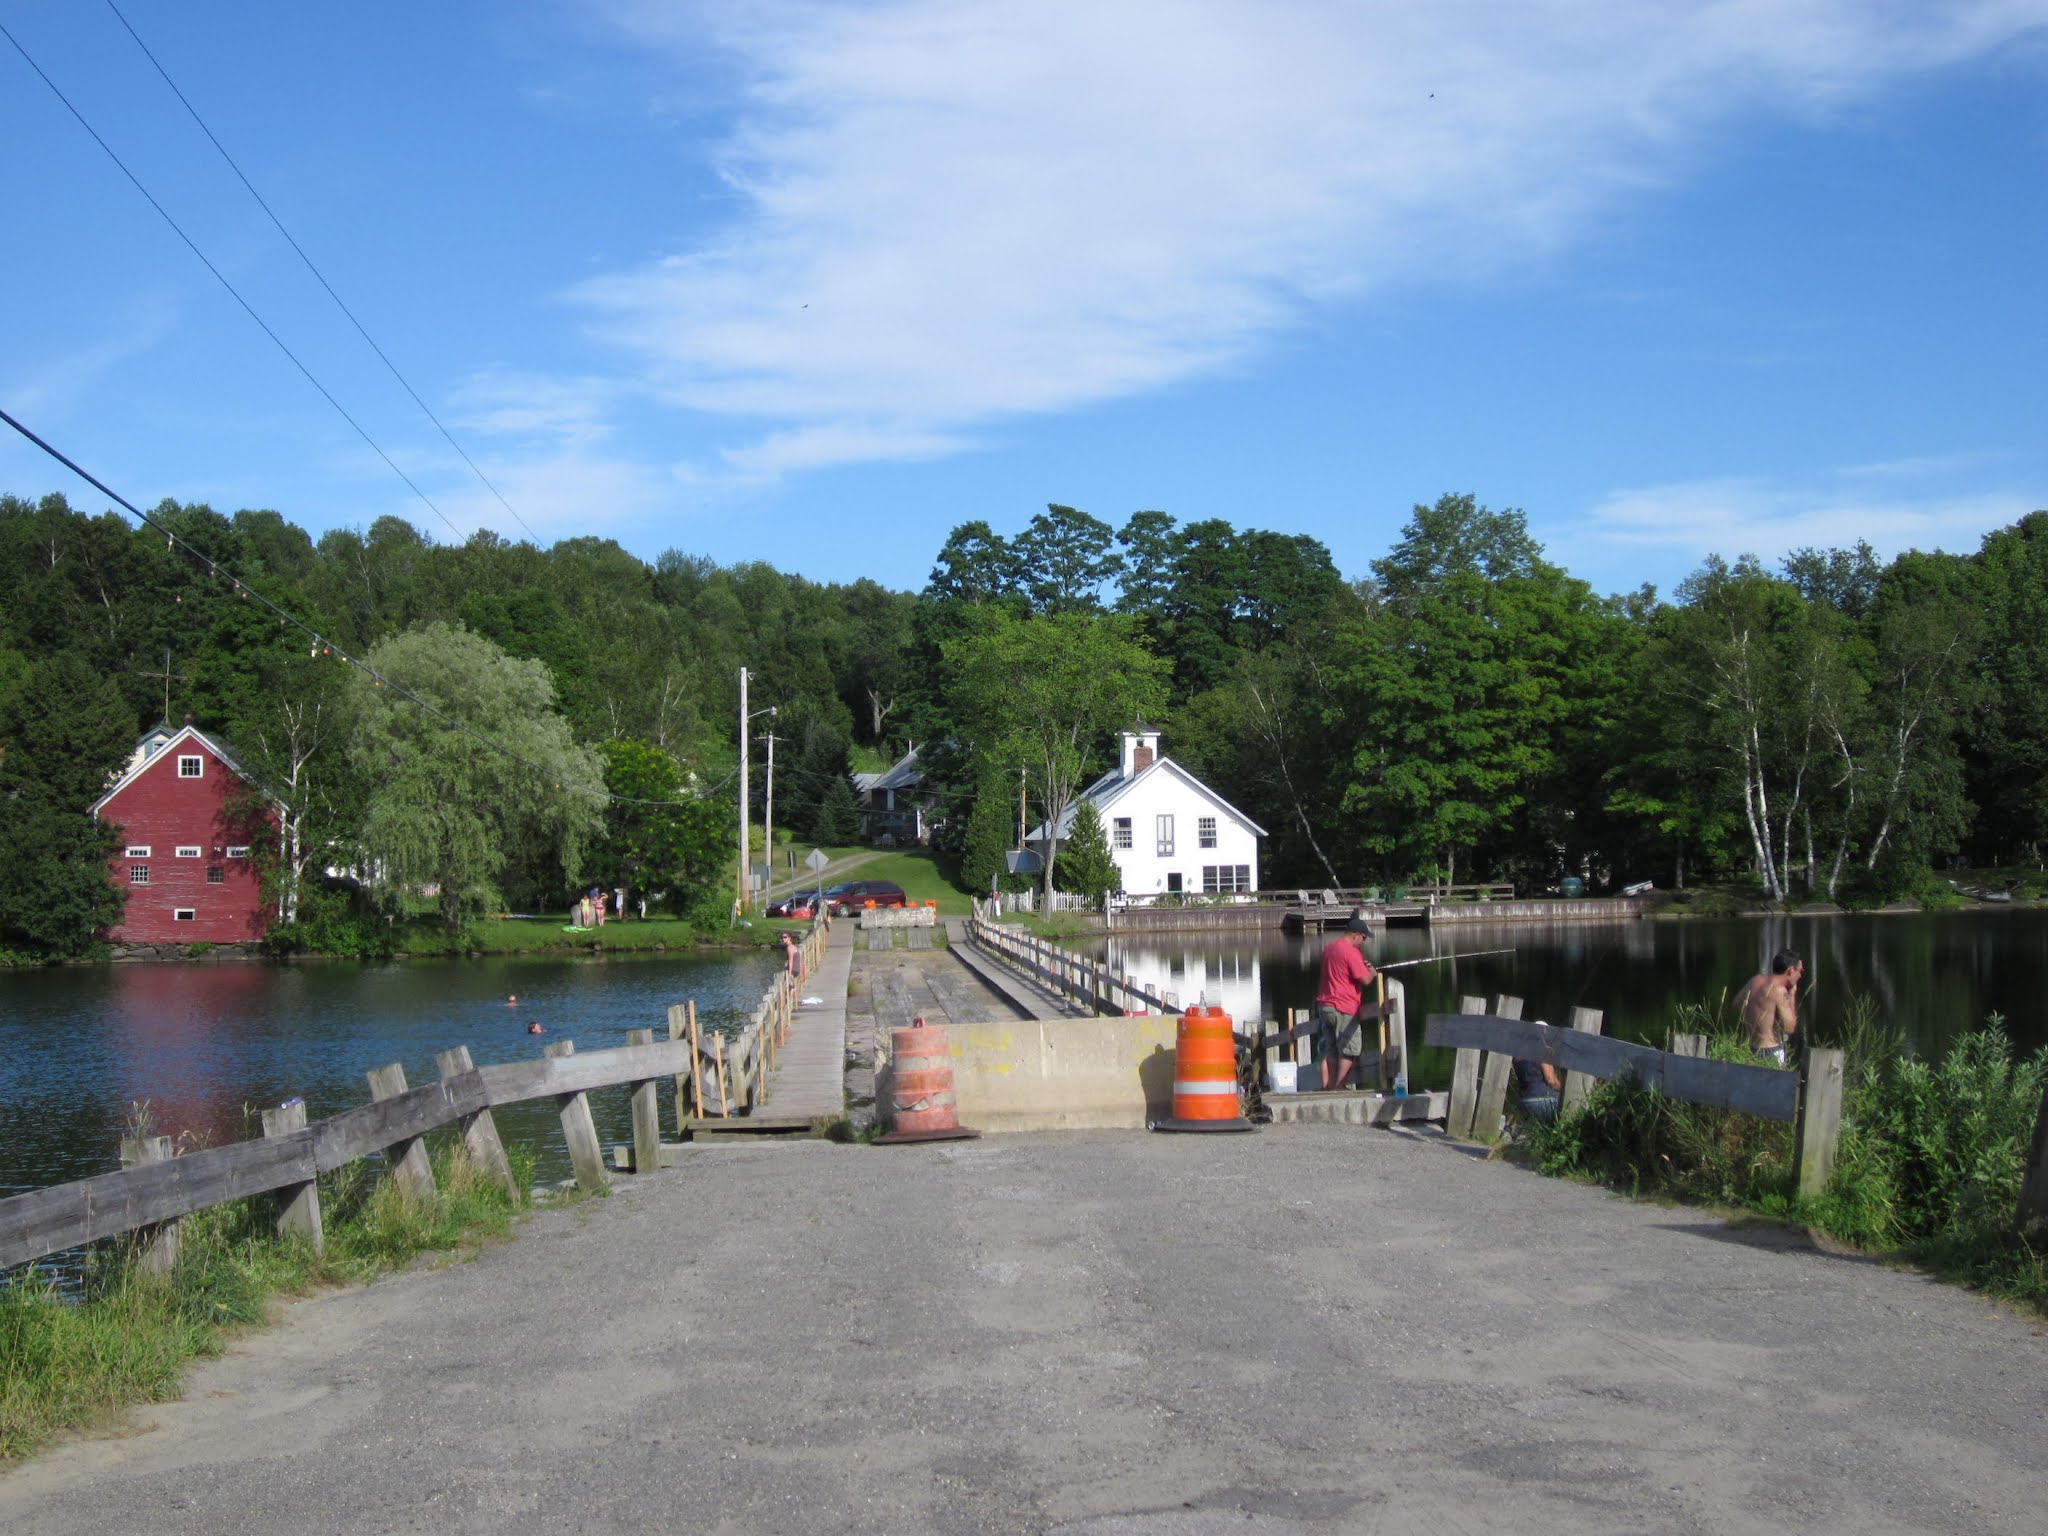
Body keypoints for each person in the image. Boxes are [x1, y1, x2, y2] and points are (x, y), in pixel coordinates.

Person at [1312, 913, 1379, 1090]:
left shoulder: (1330, 948)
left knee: (1331, 1048)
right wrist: (1372, 972)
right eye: (1364, 937)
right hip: (1343, 1006)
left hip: (1325, 1005)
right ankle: (1340, 1085)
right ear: (1355, 935)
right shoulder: (1351, 951)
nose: (1364, 941)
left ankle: (1331, 1086)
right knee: (1350, 1047)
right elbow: (1365, 979)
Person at [1736, 949, 1804, 1065]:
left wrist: (1753, 1023)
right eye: (1800, 971)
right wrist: (1792, 995)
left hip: (1751, 1048)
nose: (1800, 976)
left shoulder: (1755, 980)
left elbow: (1737, 1003)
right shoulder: (1779, 991)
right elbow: (1789, 1028)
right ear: (1791, 971)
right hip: (1771, 1052)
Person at [1515, 1054, 1562, 1120]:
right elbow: (1551, 1081)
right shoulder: (1541, 1052)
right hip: (1543, 1101)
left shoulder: (1517, 1056)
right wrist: (1564, 1090)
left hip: (1524, 1103)